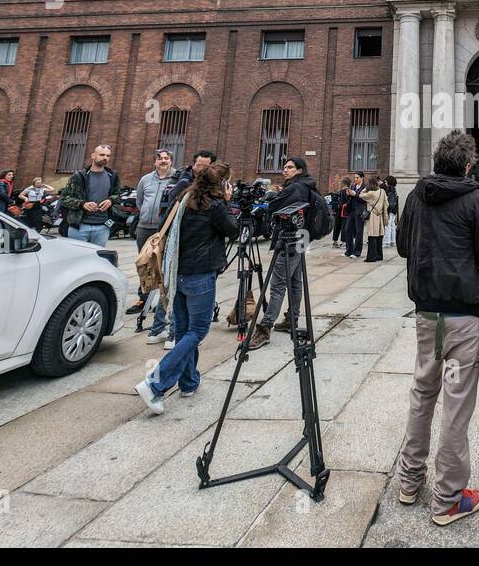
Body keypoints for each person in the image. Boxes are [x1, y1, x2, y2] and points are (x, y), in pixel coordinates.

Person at [395, 131, 479, 526]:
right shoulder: (475, 200)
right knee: (456, 405)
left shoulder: (416, 196)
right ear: (467, 165)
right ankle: (447, 499)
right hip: (464, 320)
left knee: (422, 393)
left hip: (428, 316)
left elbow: (403, 246)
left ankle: (409, 481)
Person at [135, 162, 242, 414]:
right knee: (198, 330)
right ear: (222, 184)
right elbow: (234, 231)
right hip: (200, 275)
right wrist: (227, 202)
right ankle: (155, 383)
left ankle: (188, 382)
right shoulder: (215, 206)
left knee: (183, 331)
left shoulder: (183, 198)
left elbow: (163, 225)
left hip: (178, 272)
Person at [245, 156, 320, 352]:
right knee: (295, 281)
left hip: (290, 240)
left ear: (299, 170)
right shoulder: (306, 185)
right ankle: (291, 320)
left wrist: (274, 197)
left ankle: (265, 328)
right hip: (302, 237)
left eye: (289, 167)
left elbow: (273, 208)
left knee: (277, 285)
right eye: (284, 167)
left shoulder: (295, 187)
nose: (285, 170)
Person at [130, 150, 176, 341]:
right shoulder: (145, 179)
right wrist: (145, 214)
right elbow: (140, 201)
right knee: (144, 263)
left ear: (171, 161)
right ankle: (143, 298)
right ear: (155, 162)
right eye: (160, 158)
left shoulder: (176, 179)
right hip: (144, 226)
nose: (163, 161)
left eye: (166, 158)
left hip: (162, 228)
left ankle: (161, 301)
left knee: (162, 265)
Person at [60, 145, 120, 248]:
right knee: (77, 257)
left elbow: (118, 195)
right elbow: (64, 198)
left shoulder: (113, 176)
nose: (105, 158)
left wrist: (111, 200)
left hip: (103, 227)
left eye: (108, 156)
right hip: (79, 227)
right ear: (93, 156)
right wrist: (82, 204)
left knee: (97, 256)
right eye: (102, 155)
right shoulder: (79, 176)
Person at [362, 175, 388, 262]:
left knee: (372, 236)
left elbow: (360, 194)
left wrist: (366, 187)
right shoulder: (382, 192)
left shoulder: (370, 193)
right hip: (380, 215)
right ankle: (379, 256)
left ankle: (372, 257)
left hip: (373, 216)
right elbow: (386, 204)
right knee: (379, 236)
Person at [341, 172, 366, 259]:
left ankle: (357, 252)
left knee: (359, 231)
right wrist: (348, 195)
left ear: (362, 178)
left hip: (359, 211)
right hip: (351, 211)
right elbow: (348, 199)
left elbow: (364, 199)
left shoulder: (365, 187)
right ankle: (349, 250)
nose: (355, 179)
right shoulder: (352, 186)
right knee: (348, 230)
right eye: (354, 178)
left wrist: (355, 194)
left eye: (357, 178)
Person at [331, 177, 351, 248]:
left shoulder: (339, 191)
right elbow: (348, 201)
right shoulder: (347, 191)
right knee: (344, 226)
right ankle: (343, 242)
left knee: (337, 226)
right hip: (344, 211)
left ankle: (335, 241)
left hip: (338, 210)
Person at [383, 175, 400, 247]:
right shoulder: (394, 189)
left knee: (388, 224)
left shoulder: (389, 190)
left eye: (386, 182)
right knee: (392, 224)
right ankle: (393, 241)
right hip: (393, 210)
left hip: (390, 209)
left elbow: (390, 202)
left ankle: (387, 241)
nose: (385, 183)